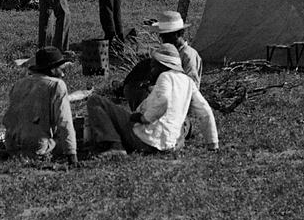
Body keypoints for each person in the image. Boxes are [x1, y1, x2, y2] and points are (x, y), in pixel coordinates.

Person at [84, 44, 218, 156]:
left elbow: (163, 101)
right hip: (172, 145)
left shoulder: (165, 77)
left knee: (95, 101)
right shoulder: (188, 82)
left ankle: (114, 145)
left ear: (162, 65)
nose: (151, 70)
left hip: (147, 141)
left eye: (154, 66)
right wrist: (212, 143)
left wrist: (144, 118)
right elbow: (205, 111)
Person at [2, 46, 78, 167]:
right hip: (37, 147)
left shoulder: (19, 83)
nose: (63, 74)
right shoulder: (57, 85)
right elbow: (64, 122)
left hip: (11, 146)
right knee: (76, 135)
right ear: (52, 69)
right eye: (61, 69)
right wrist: (72, 155)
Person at [153, 10, 201, 84]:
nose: (165, 40)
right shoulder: (168, 52)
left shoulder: (188, 55)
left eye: (168, 36)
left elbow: (192, 84)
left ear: (180, 33)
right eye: (163, 37)